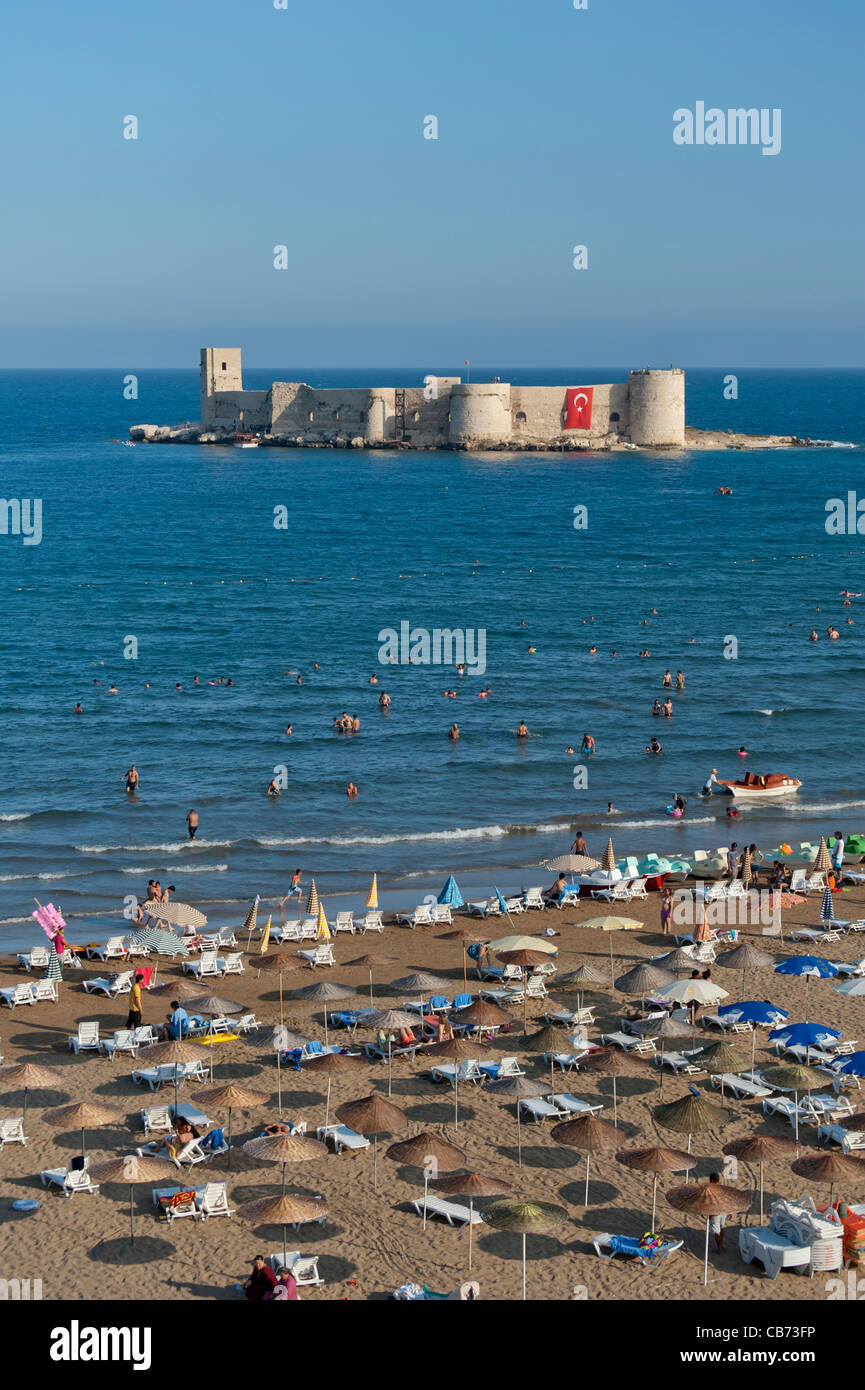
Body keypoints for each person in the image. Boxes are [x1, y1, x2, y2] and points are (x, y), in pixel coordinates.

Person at [708, 1173, 726, 1252]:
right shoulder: (722, 1188)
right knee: (721, 1228)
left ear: (712, 1180)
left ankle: (719, 1248)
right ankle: (721, 1245)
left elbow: (707, 1201)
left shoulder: (709, 1189)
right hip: (723, 1210)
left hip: (715, 1212)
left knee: (716, 1231)